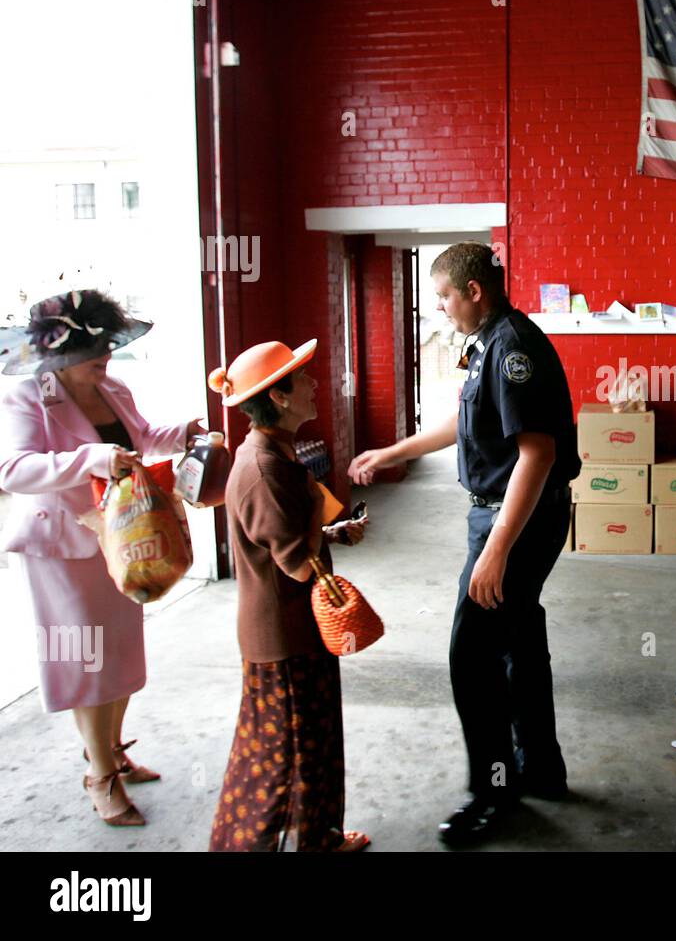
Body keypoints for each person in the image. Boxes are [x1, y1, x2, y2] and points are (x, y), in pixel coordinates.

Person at [348, 241, 579, 845]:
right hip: (511, 515)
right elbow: (470, 421)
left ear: (473, 291)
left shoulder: (512, 348)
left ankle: (493, 792)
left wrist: (497, 549)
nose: (441, 307)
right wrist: (393, 452)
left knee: (471, 658)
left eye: (445, 296)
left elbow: (537, 453)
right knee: (518, 638)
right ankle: (541, 767)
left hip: (515, 520)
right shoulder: (491, 341)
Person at [0, 289, 203, 827]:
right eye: (94, 350)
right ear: (58, 354)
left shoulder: (113, 387)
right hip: (61, 549)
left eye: (109, 345)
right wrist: (89, 459)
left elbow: (142, 439)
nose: (107, 357)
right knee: (85, 662)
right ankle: (100, 775)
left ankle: (111, 751)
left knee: (120, 656)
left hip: (121, 542)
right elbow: (12, 470)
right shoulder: (26, 397)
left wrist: (184, 433)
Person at [206, 339, 371, 852]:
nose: (315, 383)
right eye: (303, 378)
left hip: (297, 631)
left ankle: (318, 837)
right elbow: (298, 564)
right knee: (283, 758)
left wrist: (331, 531)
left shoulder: (274, 453)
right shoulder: (265, 470)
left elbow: (286, 541)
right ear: (278, 397)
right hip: (284, 638)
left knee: (311, 747)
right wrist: (318, 519)